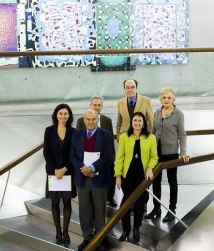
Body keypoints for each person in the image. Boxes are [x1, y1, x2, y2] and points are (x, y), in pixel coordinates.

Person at [70, 109, 113, 251]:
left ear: (97, 119)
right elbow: (72, 156)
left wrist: (93, 168)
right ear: (84, 119)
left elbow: (108, 157)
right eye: (87, 119)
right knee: (85, 211)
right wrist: (84, 168)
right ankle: (87, 239)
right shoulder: (76, 134)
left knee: (100, 211)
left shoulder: (105, 135)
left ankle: (99, 241)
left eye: (93, 119)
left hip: (99, 179)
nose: (90, 122)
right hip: (82, 179)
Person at [144, 87, 189, 222]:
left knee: (172, 181)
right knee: (155, 181)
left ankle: (171, 209)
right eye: (164, 98)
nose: (167, 100)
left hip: (171, 153)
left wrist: (183, 152)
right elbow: (152, 132)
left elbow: (182, 134)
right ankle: (156, 208)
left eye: (169, 98)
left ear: (173, 99)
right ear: (160, 99)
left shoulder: (178, 114)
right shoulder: (157, 112)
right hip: (157, 153)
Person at [115, 112, 158, 243]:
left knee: (140, 203)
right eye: (135, 120)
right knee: (125, 204)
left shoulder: (150, 137)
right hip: (127, 176)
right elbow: (120, 157)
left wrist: (150, 167)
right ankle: (126, 230)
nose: (137, 123)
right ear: (131, 122)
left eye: (140, 121)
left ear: (143, 123)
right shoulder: (124, 137)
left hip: (143, 177)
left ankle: (136, 229)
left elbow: (154, 157)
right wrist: (118, 176)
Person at [43, 103, 77, 247]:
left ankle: (66, 232)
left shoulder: (73, 132)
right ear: (56, 115)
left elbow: (74, 153)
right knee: (55, 202)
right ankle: (58, 232)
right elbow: (47, 152)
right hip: (53, 172)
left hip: (68, 172)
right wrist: (56, 169)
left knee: (67, 202)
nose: (63, 116)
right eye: (60, 113)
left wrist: (65, 168)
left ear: (69, 116)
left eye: (66, 113)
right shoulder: (49, 130)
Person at [76, 95, 117, 207]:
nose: (97, 107)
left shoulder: (107, 120)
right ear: (90, 105)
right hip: (87, 157)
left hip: (103, 156)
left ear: (102, 107)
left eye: (99, 105)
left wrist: (112, 157)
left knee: (110, 172)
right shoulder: (81, 120)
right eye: (95, 105)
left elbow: (110, 141)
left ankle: (110, 197)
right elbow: (79, 142)